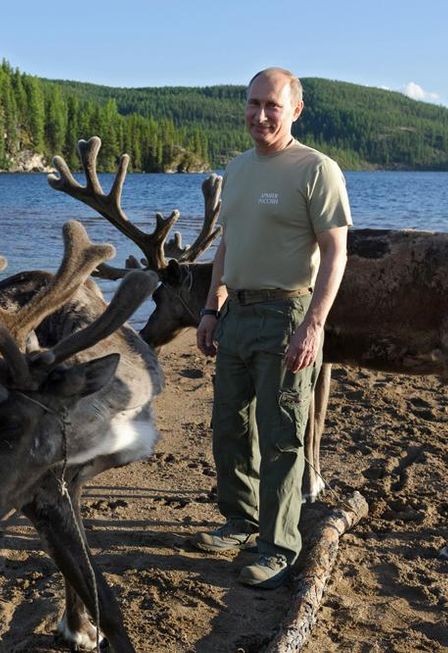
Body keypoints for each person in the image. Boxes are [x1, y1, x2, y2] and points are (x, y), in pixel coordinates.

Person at [193, 67, 351, 589]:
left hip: (288, 316)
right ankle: (239, 520)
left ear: (295, 110)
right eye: (254, 104)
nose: (261, 115)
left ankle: (279, 546)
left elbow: (335, 253)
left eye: (273, 106)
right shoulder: (237, 170)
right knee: (229, 427)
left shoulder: (316, 169)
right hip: (236, 313)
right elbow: (226, 247)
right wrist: (212, 308)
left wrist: (314, 326)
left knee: (281, 435)